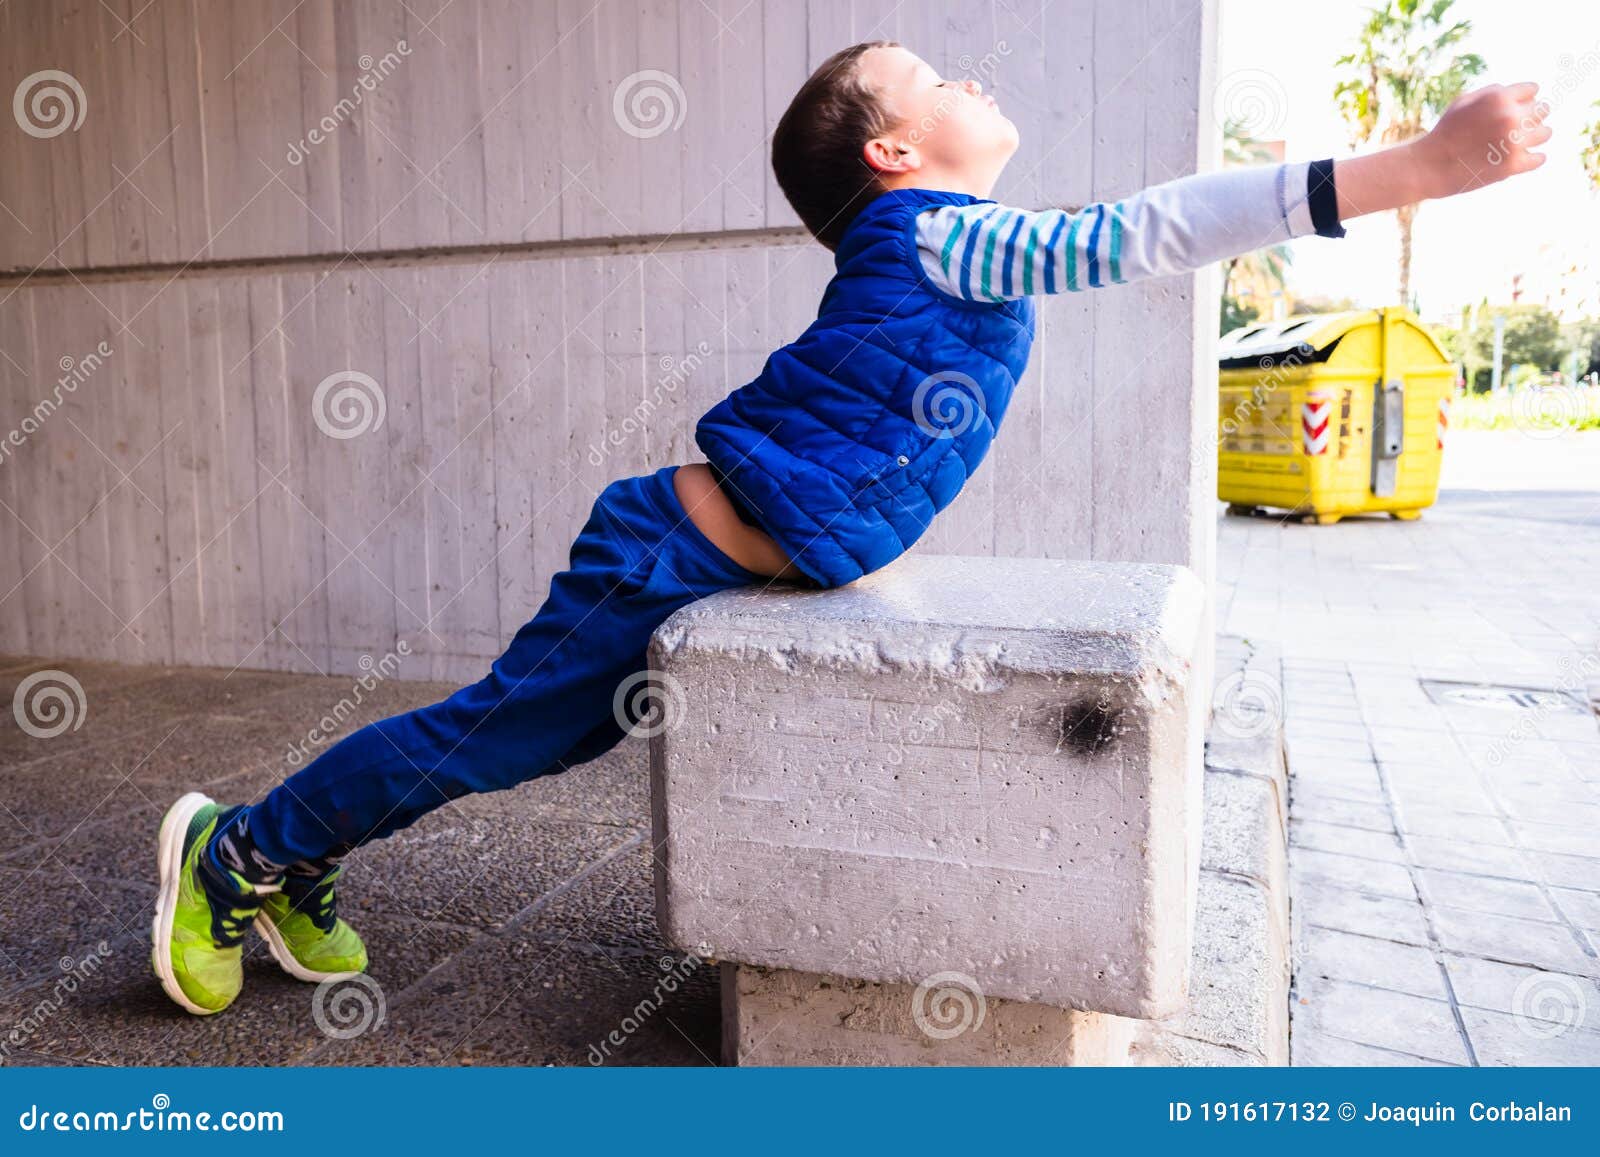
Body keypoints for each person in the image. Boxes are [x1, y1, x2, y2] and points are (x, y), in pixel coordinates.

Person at [153, 40, 1549, 1014]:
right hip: (662, 553)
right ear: (895, 150)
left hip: (710, 552)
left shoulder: (941, 246)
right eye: (938, 79)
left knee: (536, 737)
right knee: (496, 734)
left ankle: (296, 853)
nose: (974, 81)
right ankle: (239, 849)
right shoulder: (952, 234)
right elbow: (1157, 227)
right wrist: (1413, 168)